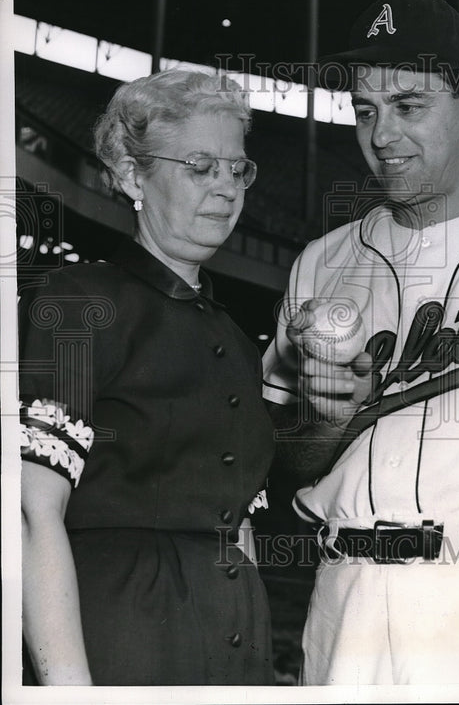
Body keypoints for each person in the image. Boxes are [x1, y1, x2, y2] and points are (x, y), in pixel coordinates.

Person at [263, 0, 459, 685]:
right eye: (366, 111)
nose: (381, 136)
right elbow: (284, 464)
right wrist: (324, 419)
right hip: (349, 602)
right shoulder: (323, 261)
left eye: (409, 107)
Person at [19, 69, 275, 686]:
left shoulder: (237, 340)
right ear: (134, 176)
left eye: (236, 169)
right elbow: (30, 515)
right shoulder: (79, 303)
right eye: (199, 166)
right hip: (123, 638)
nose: (226, 188)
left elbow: (238, 525)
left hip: (236, 649)